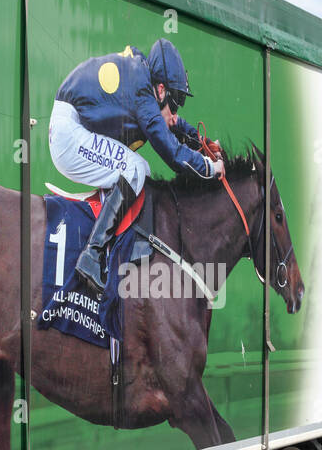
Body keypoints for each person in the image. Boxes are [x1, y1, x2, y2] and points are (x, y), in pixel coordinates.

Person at [48, 38, 224, 294]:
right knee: (134, 169)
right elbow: (173, 155)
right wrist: (210, 168)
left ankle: (116, 247)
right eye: (175, 103)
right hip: (68, 133)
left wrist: (203, 142)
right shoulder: (144, 95)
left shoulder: (145, 84)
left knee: (140, 169)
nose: (175, 113)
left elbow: (172, 123)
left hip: (72, 127)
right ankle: (92, 255)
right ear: (161, 90)